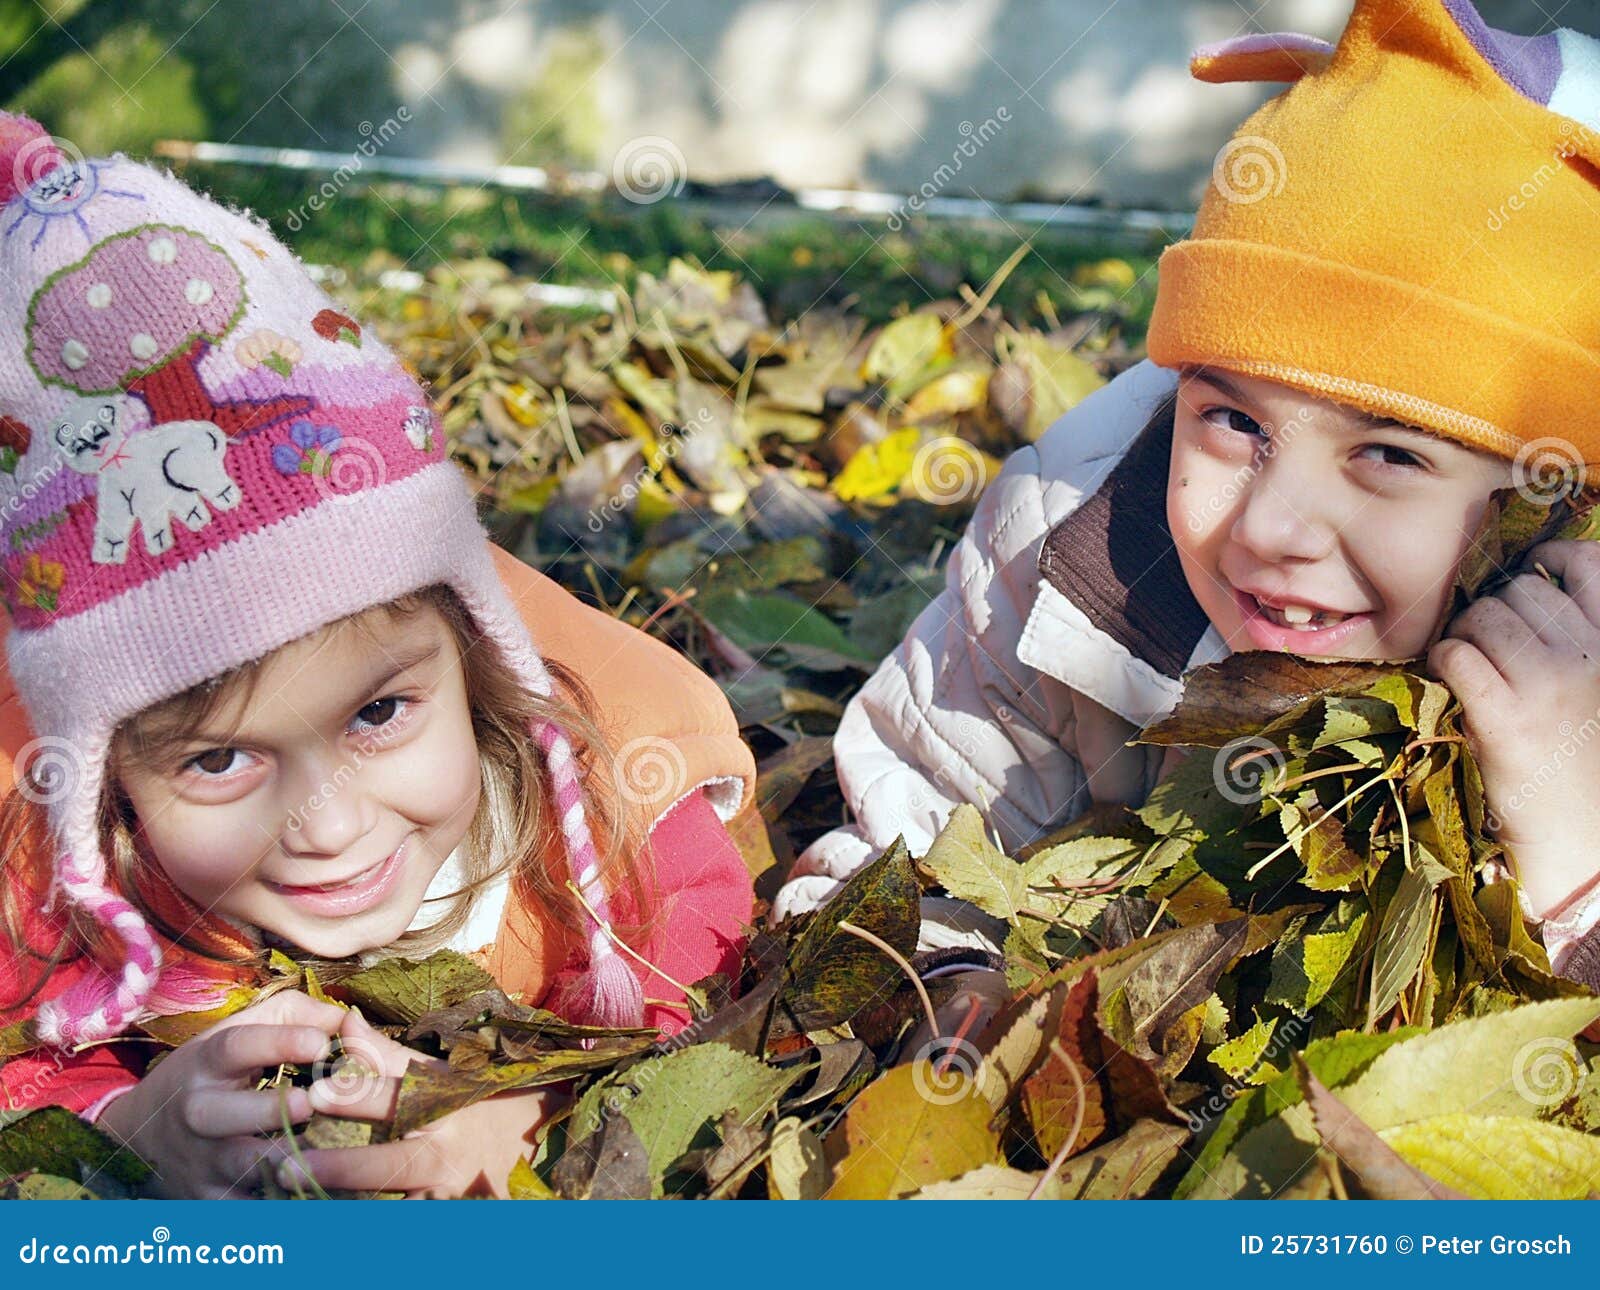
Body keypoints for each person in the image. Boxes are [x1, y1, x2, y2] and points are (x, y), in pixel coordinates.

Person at [0, 112, 758, 1199]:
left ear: (473, 652)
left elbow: (724, 998)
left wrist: (538, 1114)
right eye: (218, 761)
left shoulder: (623, 805)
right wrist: (128, 1121)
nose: (331, 827)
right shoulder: (54, 864)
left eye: (377, 716)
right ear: (106, 770)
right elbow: (20, 1057)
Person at [776, 0, 1600, 990]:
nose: (1268, 528)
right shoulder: (1064, 545)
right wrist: (950, 996)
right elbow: (902, 854)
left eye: (1389, 456)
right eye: (1231, 423)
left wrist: (1572, 877)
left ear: (1558, 499)